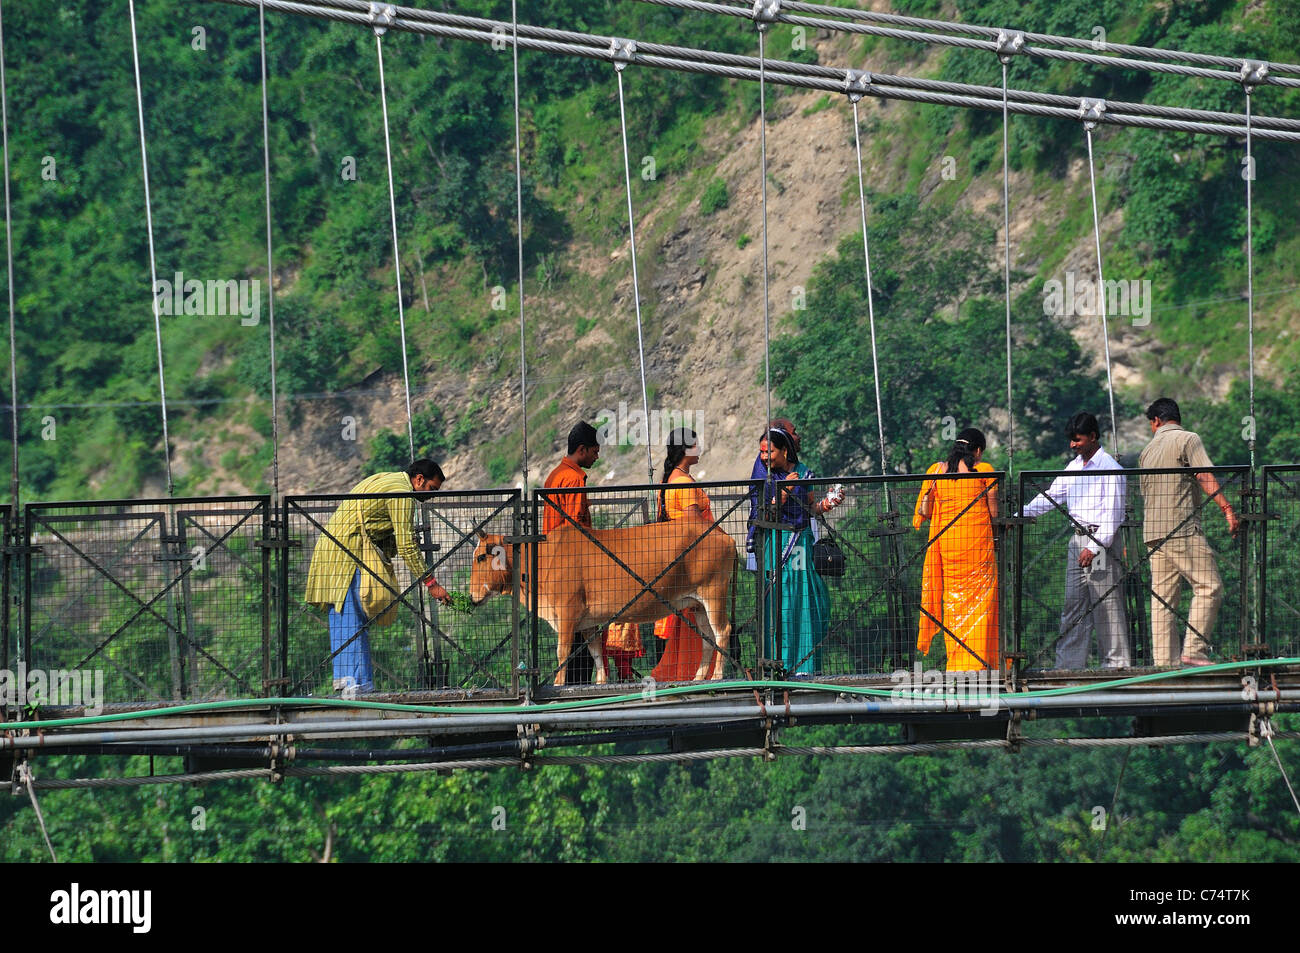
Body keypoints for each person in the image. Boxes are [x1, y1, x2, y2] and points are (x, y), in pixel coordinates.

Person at [304, 459, 451, 694]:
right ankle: (356, 685)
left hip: (333, 548)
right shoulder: (402, 493)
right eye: (431, 489)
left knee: (343, 616)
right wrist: (431, 584)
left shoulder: (388, 479)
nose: (431, 496)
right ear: (419, 480)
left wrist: (400, 541)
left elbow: (378, 530)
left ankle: (345, 681)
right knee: (353, 615)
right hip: (348, 552)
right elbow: (405, 547)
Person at [1020, 413, 1129, 669]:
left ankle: (1115, 664)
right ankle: (1068, 665)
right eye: (1071, 440)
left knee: (1106, 605)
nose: (1073, 445)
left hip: (1100, 544)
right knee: (1073, 604)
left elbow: (1113, 515)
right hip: (1077, 542)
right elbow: (1051, 497)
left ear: (1092, 436)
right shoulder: (1073, 467)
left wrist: (1094, 547)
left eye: (1077, 440)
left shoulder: (1110, 468)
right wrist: (1021, 514)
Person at [1137, 398, 1240, 667]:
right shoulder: (1188, 439)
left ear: (1157, 421)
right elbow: (1203, 474)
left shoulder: (1146, 451)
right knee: (1209, 585)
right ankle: (1194, 650)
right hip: (1181, 527)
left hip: (1153, 532)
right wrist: (1227, 508)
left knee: (1163, 599)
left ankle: (1165, 663)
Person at [542, 421, 641, 682]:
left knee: (572, 630)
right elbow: (576, 528)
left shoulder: (555, 474)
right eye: (595, 451)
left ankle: (583, 684)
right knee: (580, 630)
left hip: (555, 562)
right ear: (582, 450)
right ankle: (579, 688)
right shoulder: (573, 478)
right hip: (574, 566)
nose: (597, 457)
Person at [753, 426, 839, 675]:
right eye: (762, 452)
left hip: (801, 540)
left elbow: (811, 507)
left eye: (769, 452)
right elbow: (765, 511)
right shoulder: (766, 477)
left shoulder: (804, 472)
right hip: (776, 540)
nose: (764, 457)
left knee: (805, 597)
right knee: (778, 596)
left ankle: (805, 666)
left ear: (784, 451)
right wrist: (784, 492)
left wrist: (829, 503)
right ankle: (777, 665)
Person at [913, 428, 999, 672]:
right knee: (982, 604)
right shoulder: (984, 471)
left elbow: (924, 513)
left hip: (949, 549)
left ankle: (958, 663)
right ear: (978, 450)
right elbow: (994, 512)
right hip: (979, 548)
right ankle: (980, 663)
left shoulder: (936, 471)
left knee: (953, 602)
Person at [651, 428, 713, 682]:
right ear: (685, 450)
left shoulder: (669, 480)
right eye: (695, 445)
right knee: (697, 620)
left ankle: (686, 672)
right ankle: (694, 672)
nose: (699, 449)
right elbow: (692, 524)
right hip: (693, 562)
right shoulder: (684, 483)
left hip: (676, 558)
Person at [746, 417, 800, 571]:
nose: (798, 437)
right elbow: (765, 508)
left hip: (795, 538)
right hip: (771, 537)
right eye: (794, 433)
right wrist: (784, 492)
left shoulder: (793, 467)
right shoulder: (766, 469)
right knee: (774, 585)